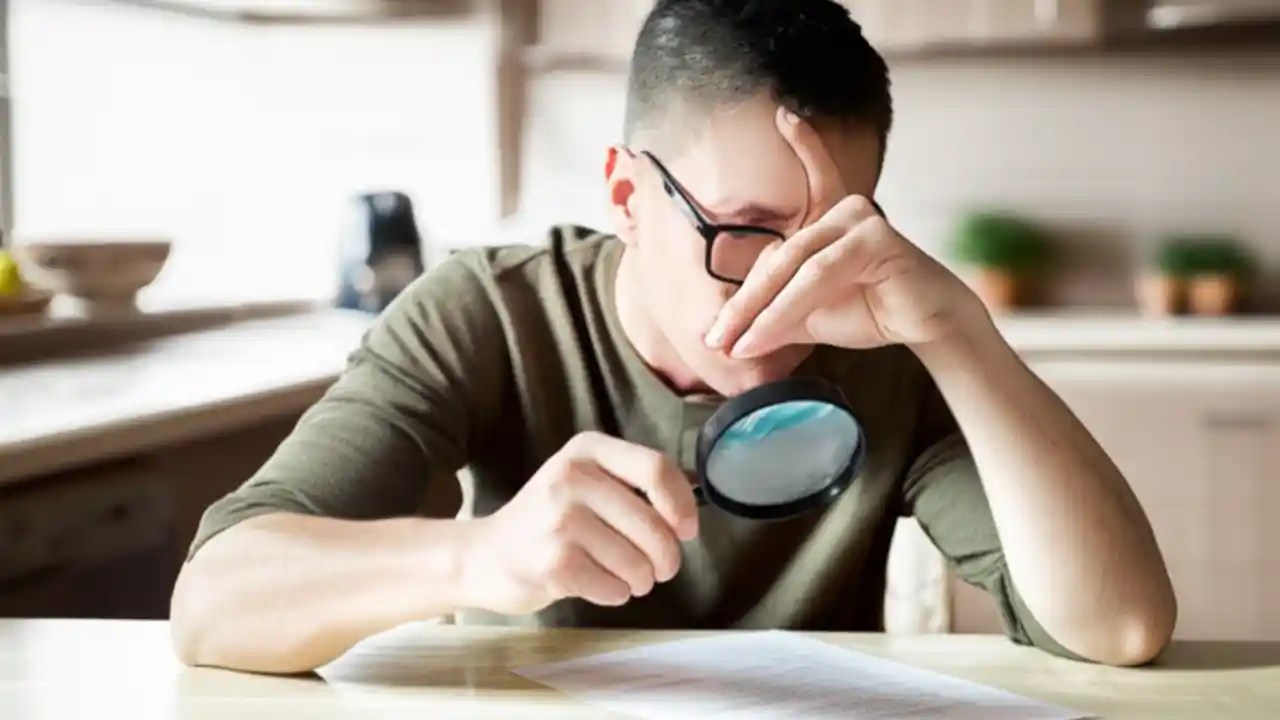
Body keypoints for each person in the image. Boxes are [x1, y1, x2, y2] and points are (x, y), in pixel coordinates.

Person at [170, 0, 1176, 674]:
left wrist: (961, 333)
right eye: (741, 232)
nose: (788, 293)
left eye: (821, 235)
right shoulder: (492, 313)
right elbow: (215, 603)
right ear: (626, 195)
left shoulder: (887, 336)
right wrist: (474, 559)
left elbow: (1117, 628)